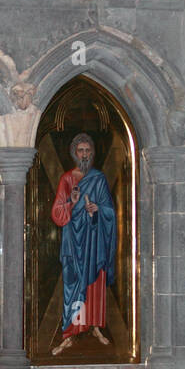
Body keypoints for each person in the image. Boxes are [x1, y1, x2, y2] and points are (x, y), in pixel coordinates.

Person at [50, 133, 116, 355]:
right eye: (81, 151)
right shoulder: (67, 179)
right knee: (73, 283)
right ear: (74, 153)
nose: (84, 155)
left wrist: (98, 209)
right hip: (73, 240)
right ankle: (70, 332)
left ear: (92, 153)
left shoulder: (99, 178)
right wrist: (72, 203)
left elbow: (110, 211)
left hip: (94, 240)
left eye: (88, 150)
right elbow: (57, 213)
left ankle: (95, 327)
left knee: (94, 283)